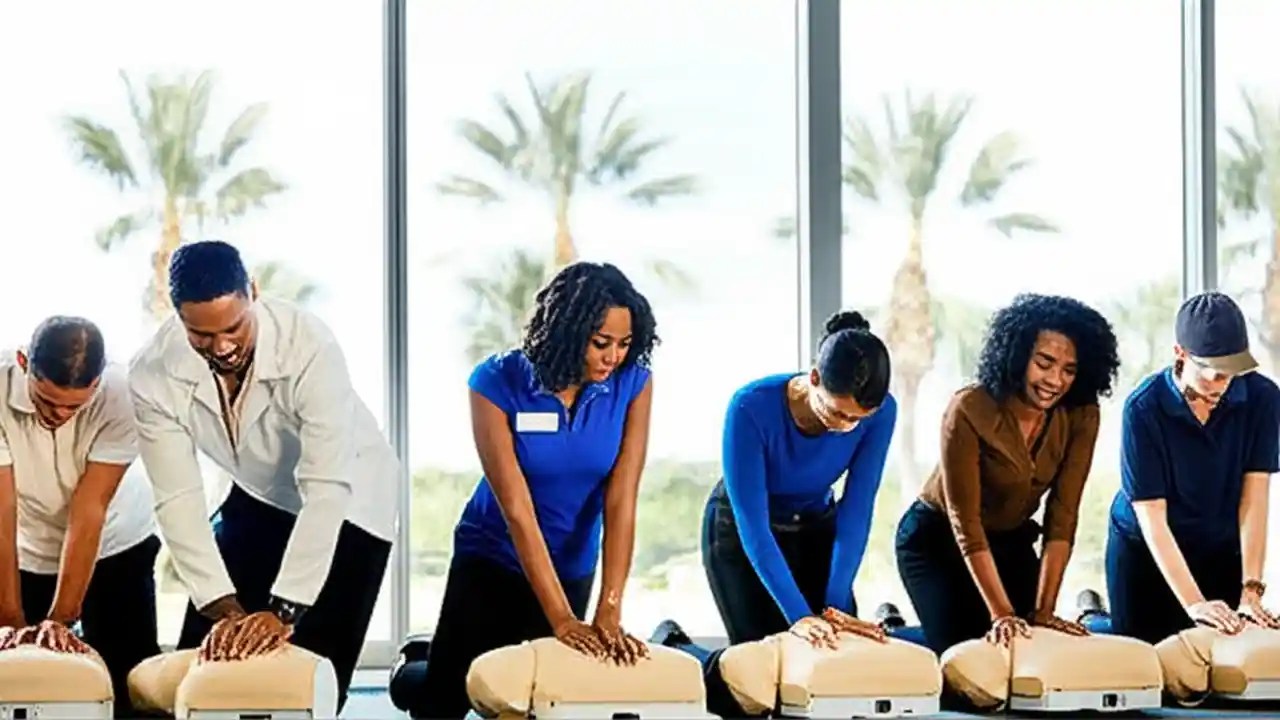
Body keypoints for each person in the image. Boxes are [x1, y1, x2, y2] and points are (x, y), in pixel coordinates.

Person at [128, 240, 397, 711]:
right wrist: (223, 607)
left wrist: (285, 610)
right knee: (206, 665)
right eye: (202, 336)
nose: (222, 347)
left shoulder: (309, 345)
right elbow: (178, 499)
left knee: (307, 685)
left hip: (351, 502)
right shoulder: (153, 373)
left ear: (253, 291)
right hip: (258, 496)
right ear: (178, 317)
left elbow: (326, 488)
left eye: (233, 327)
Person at [413, 261, 657, 719]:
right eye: (601, 343)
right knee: (443, 701)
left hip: (571, 564)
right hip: (491, 556)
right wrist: (561, 619)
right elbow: (517, 509)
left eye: (624, 344)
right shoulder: (495, 383)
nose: (613, 357)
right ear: (568, 331)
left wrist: (609, 606)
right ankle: (415, 667)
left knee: (536, 700)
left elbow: (622, 500)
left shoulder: (633, 384)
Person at [650, 310, 894, 717]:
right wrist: (799, 616)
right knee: (758, 683)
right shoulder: (751, 407)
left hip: (815, 525)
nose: (847, 427)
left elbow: (857, 508)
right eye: (837, 413)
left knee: (832, 671)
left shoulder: (882, 412)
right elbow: (754, 527)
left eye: (858, 419)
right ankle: (674, 647)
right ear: (814, 378)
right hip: (741, 532)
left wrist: (833, 607)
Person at [895, 293, 1120, 657]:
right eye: (1044, 363)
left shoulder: (1082, 413)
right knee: (972, 656)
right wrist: (1001, 614)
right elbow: (964, 524)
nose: (1055, 380)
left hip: (1010, 541)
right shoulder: (968, 408)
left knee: (1029, 648)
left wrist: (1043, 612)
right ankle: (893, 630)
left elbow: (1062, 518)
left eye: (1069, 370)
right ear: (1018, 357)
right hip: (937, 540)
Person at [0, 316, 160, 715]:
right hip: (30, 546)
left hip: (117, 543)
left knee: (127, 679)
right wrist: (11, 620)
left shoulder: (123, 395)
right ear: (23, 362)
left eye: (75, 404)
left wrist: (61, 619)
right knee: (23, 676)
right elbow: (2, 510)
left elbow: (90, 508)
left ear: (99, 381)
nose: (60, 414)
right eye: (47, 400)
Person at [1107, 291, 1280, 644]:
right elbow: (1152, 516)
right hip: (1147, 548)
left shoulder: (1263, 398)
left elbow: (1255, 497)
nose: (1224, 383)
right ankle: (1092, 616)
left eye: (1232, 372)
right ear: (1180, 355)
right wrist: (1195, 602)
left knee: (1217, 651)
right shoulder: (1143, 409)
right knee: (1145, 656)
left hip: (1217, 544)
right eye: (1213, 373)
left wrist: (1251, 590)